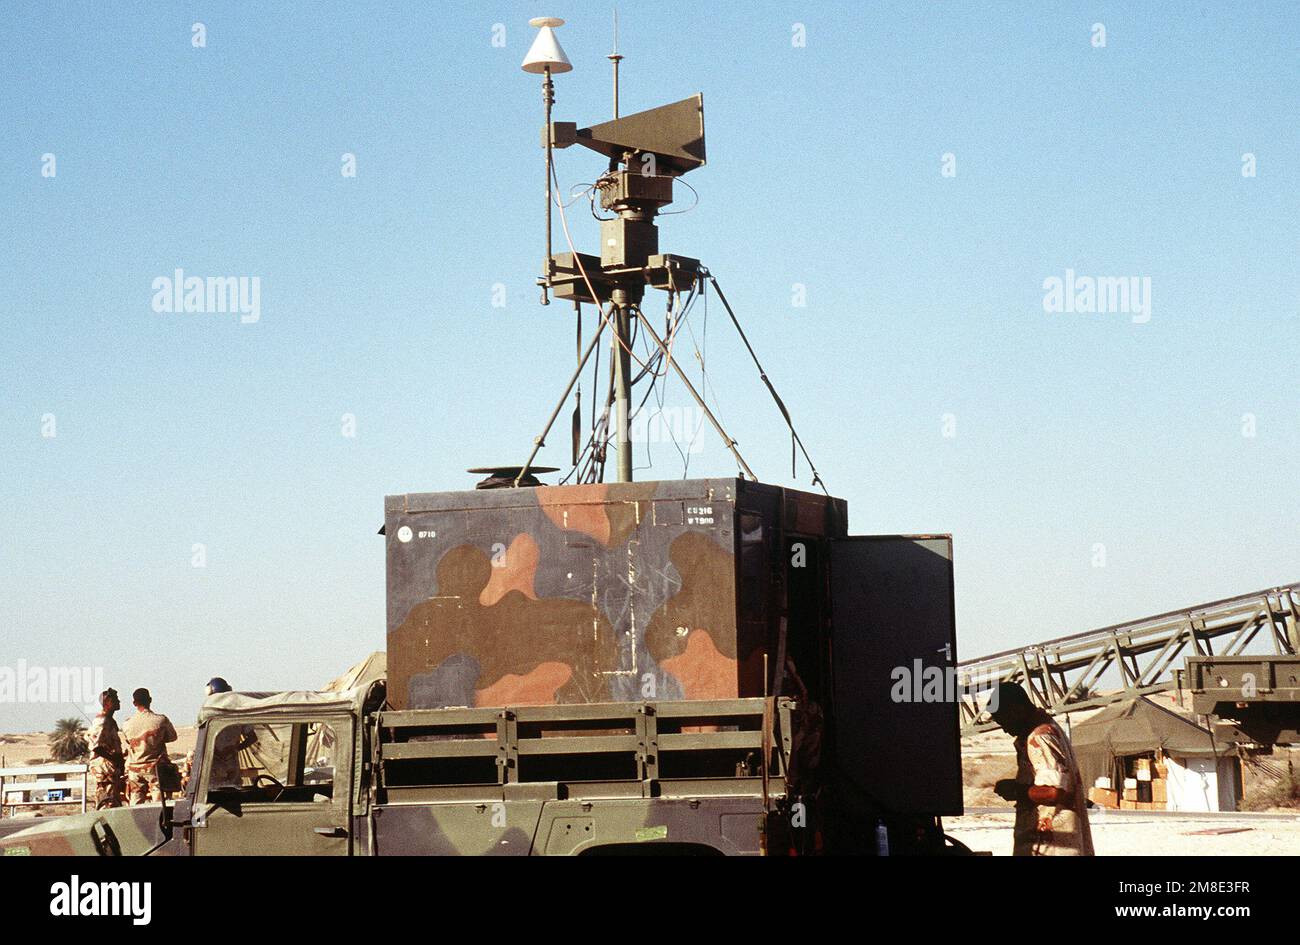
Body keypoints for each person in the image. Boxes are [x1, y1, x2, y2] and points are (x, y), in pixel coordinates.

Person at [988, 682, 1094, 856]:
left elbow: (1054, 792)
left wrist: (1016, 790)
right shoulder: (1051, 728)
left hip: (1050, 848)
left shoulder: (1040, 737)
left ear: (1016, 709)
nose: (1005, 729)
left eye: (1004, 720)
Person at [121, 688, 178, 805]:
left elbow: (128, 741)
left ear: (134, 703)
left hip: (134, 769)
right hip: (155, 768)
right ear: (150, 700)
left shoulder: (126, 724)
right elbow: (172, 737)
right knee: (159, 804)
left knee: (135, 802)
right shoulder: (161, 720)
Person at [204, 677, 256, 788]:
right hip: (230, 761)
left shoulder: (208, 714)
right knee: (233, 791)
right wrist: (236, 748)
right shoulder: (239, 712)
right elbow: (252, 737)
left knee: (214, 793)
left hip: (214, 762)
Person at [85, 688, 125, 809]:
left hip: (111, 770)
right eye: (115, 699)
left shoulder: (109, 720)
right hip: (104, 770)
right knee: (107, 803)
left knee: (114, 802)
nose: (119, 701)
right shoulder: (101, 721)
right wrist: (114, 758)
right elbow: (95, 746)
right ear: (107, 701)